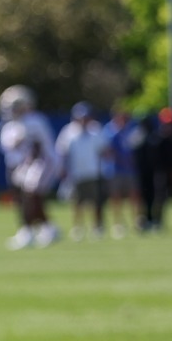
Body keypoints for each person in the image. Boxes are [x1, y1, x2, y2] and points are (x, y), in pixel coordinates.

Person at [0, 86, 58, 249]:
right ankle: (46, 228)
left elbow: (37, 147)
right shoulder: (11, 125)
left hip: (43, 162)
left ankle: (29, 231)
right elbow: (8, 147)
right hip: (25, 165)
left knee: (31, 194)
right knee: (24, 197)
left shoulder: (33, 121)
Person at [55, 103, 112, 240]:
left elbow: (104, 151)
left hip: (94, 172)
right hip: (76, 173)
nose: (83, 120)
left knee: (96, 202)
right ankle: (78, 227)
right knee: (77, 202)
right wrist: (62, 169)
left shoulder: (96, 130)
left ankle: (97, 227)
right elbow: (62, 152)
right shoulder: (68, 132)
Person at [103, 109, 137, 238]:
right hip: (115, 170)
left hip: (129, 169)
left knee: (134, 195)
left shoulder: (130, 129)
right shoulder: (110, 131)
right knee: (115, 197)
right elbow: (108, 150)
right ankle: (118, 223)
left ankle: (136, 221)